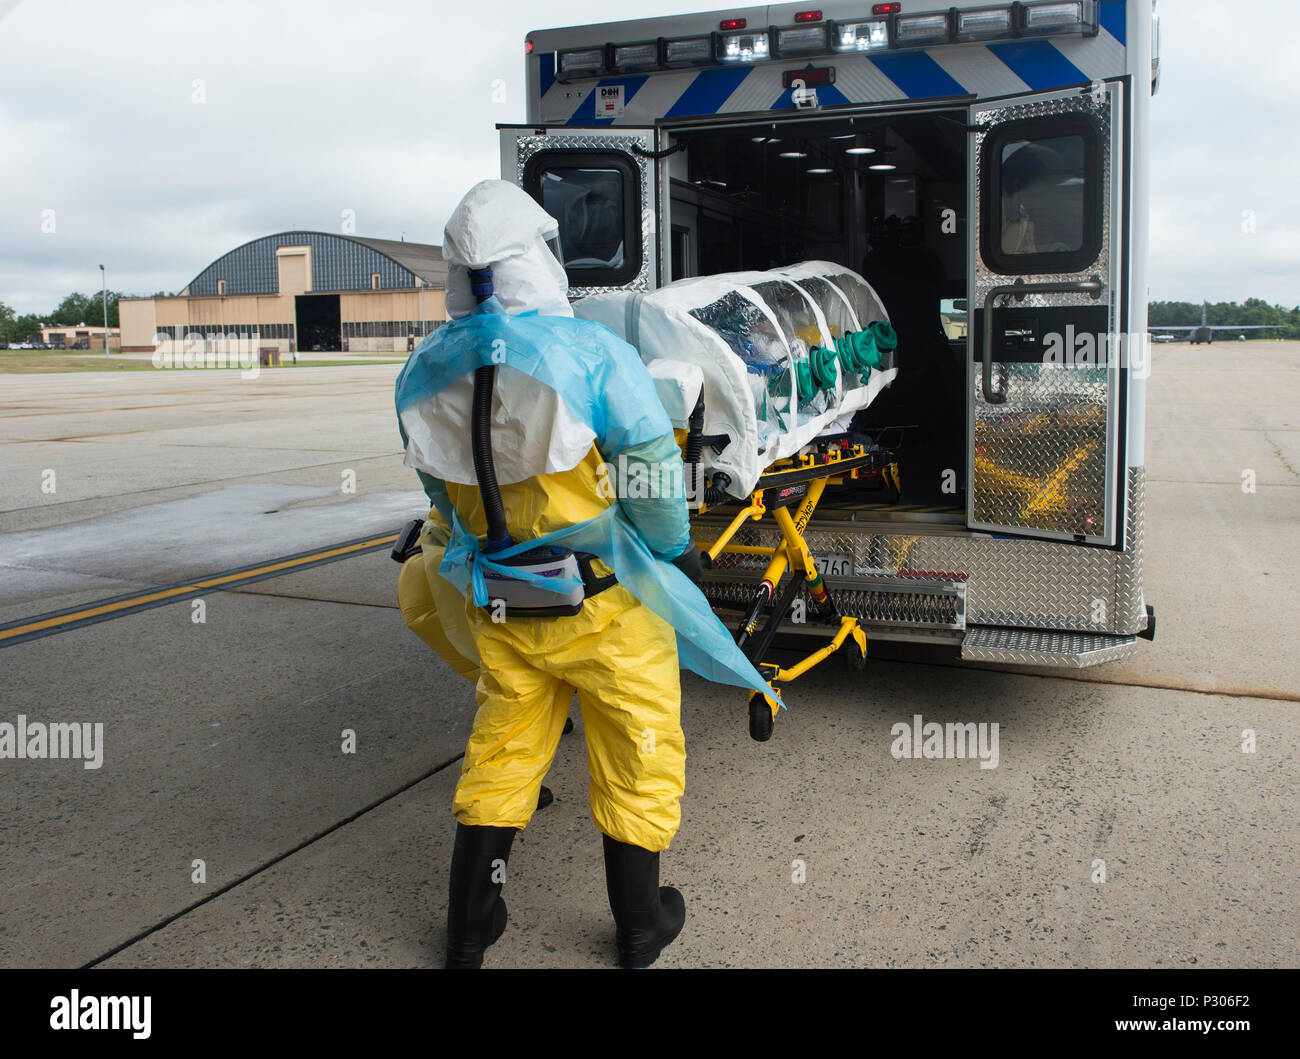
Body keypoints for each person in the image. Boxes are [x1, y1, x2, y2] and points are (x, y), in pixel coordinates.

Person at [394, 180, 776, 969]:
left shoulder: (420, 371)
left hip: (502, 602)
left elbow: (441, 497)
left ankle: (470, 929)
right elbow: (650, 470)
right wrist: (674, 552)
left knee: (502, 754)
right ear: (537, 258)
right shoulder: (595, 354)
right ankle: (640, 925)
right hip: (604, 603)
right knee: (638, 745)